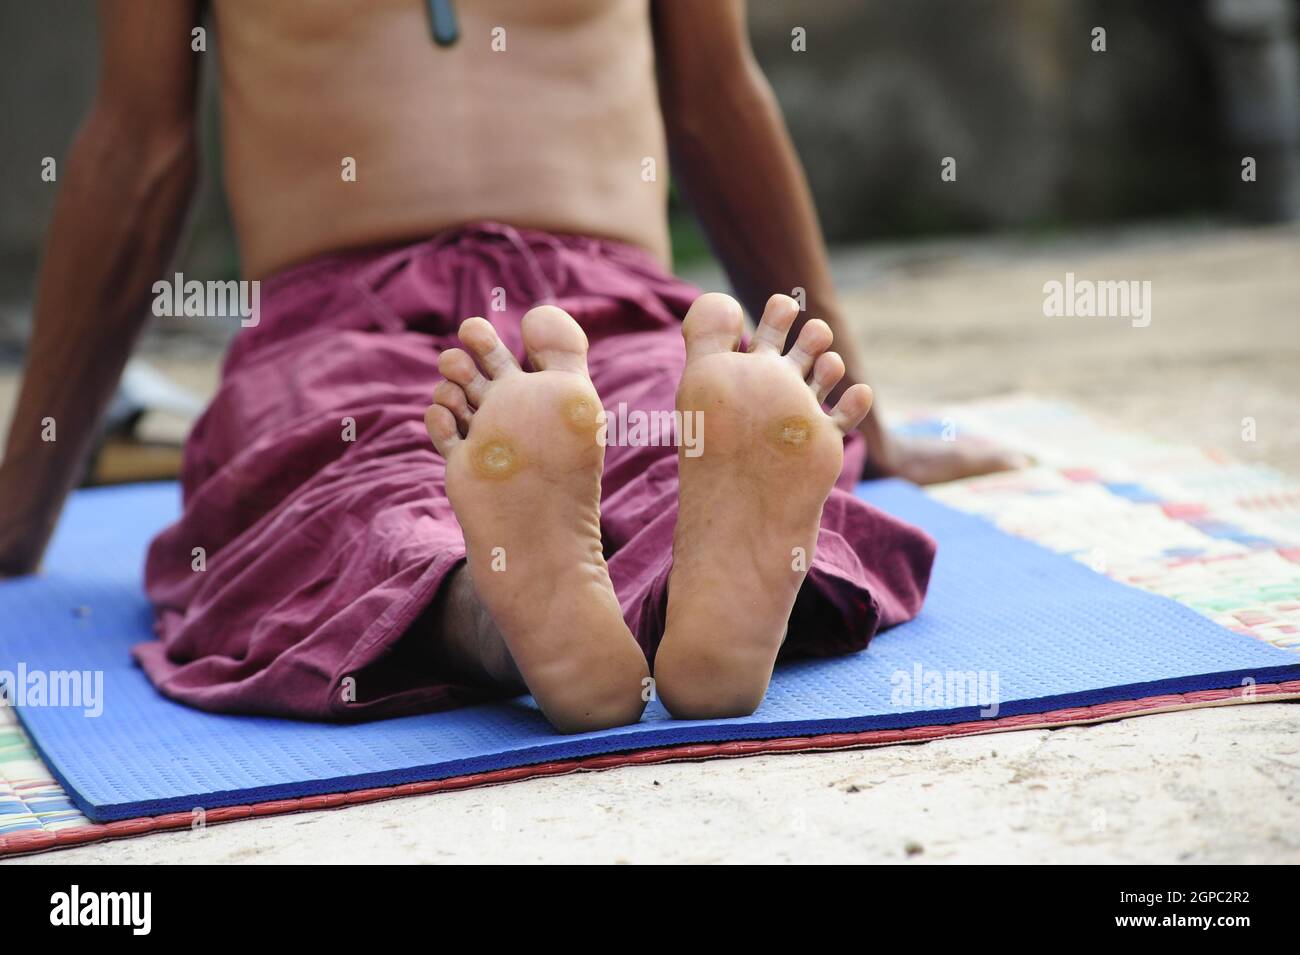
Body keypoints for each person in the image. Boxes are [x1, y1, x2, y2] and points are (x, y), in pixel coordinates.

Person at [0, 1, 1019, 732]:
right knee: (649, 452)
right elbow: (719, 106)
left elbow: (138, 156)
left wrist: (20, 508)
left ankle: (513, 617)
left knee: (353, 498)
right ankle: (620, 602)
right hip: (413, 314)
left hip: (546, 306)